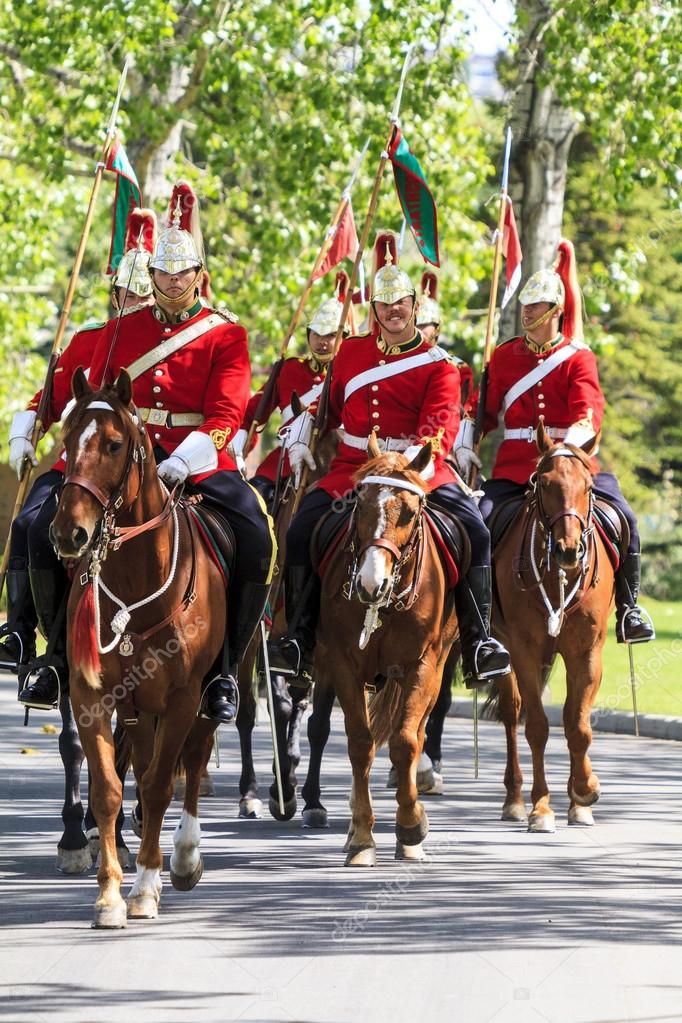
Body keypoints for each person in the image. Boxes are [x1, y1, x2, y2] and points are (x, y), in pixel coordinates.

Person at [20, 184, 276, 720]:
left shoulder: (226, 334)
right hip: (119, 455)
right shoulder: (119, 330)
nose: (172, 282)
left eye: (182, 274)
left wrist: (184, 459)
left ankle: (225, 670)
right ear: (153, 275)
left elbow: (226, 414)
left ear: (198, 275)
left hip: (194, 458)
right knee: (42, 527)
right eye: (163, 273)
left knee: (256, 534)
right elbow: (85, 393)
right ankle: (53, 656)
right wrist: (38, 426)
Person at [269, 231, 510, 688]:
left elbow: (437, 427)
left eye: (400, 302)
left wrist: (403, 466)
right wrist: (300, 433)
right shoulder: (351, 352)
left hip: (418, 471)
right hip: (352, 470)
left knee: (476, 532)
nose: (392, 310)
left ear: (414, 305)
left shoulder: (439, 364)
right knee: (300, 530)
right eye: (384, 304)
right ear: (375, 309)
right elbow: (327, 409)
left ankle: (478, 642)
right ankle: (299, 639)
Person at [454, 239, 654, 644]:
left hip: (572, 469)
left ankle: (629, 609)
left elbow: (587, 412)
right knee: (478, 525)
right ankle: (480, 624)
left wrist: (564, 452)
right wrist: (464, 440)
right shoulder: (504, 356)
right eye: (525, 306)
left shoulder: (578, 357)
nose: (527, 312)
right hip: (514, 471)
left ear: (556, 310)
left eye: (536, 306)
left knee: (624, 518)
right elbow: (481, 409)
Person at [4, 209, 157, 700]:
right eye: (125, 294)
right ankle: (33, 641)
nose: (131, 304)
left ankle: (219, 660)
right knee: (30, 525)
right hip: (83, 464)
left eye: (141, 296)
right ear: (113, 294)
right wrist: (28, 427)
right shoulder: (90, 337)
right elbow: (50, 397)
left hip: (152, 463)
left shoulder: (171, 339)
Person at [234, 273, 350, 509]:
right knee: (248, 503)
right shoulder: (289, 370)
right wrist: (238, 446)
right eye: (317, 334)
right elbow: (253, 413)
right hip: (285, 462)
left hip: (336, 462)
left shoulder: (351, 375)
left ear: (344, 338)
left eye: (330, 335)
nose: (322, 342)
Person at [416, 271, 474, 406]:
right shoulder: (398, 362)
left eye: (424, 325)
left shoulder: (458, 368)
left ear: (437, 328)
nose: (418, 330)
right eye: (415, 325)